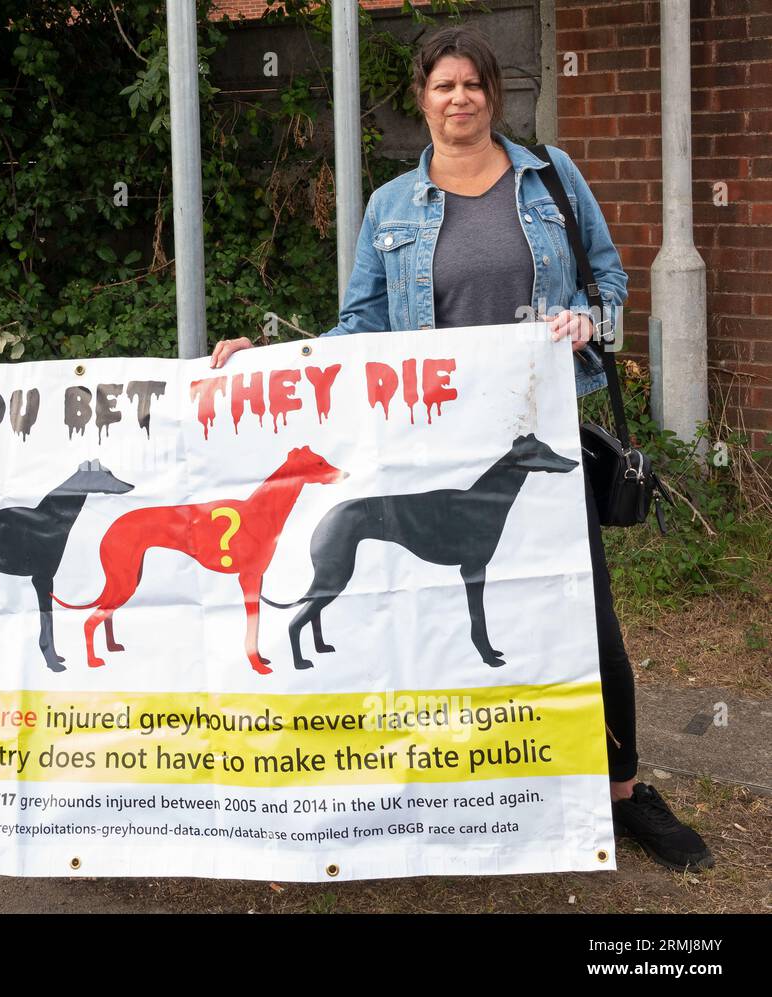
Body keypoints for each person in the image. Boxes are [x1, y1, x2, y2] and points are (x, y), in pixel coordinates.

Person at [211, 26, 712, 872]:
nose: (459, 99)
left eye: (473, 84)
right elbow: (362, 327)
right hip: (433, 449)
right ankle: (460, 788)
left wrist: (593, 321)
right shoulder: (391, 207)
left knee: (587, 614)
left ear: (493, 95)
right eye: (442, 86)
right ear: (423, 98)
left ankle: (624, 790)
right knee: (428, 611)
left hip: (537, 432)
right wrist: (269, 358)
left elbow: (610, 278)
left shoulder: (550, 178)